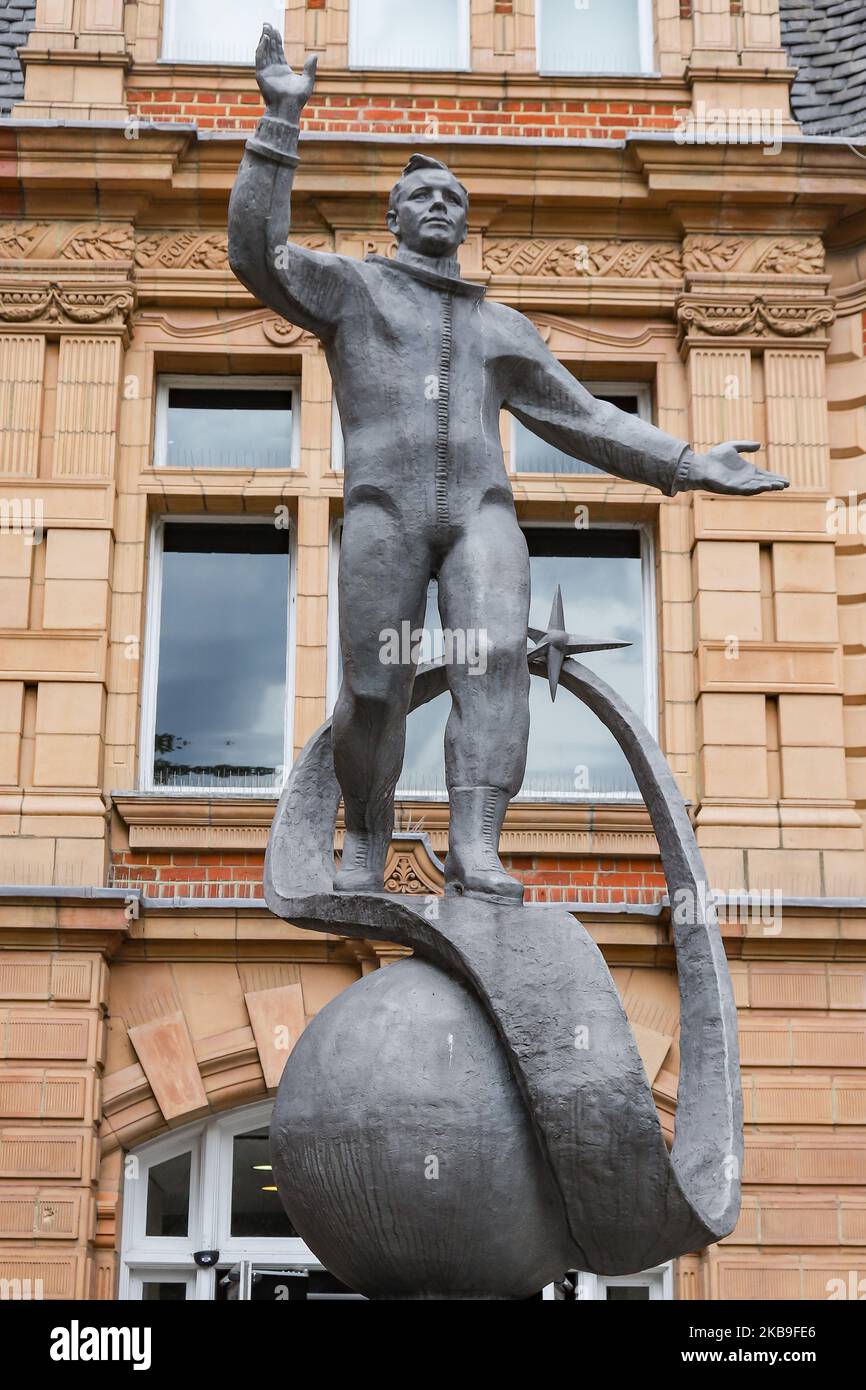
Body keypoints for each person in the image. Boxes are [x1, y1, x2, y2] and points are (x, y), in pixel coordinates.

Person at [228, 26, 787, 903]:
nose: (442, 205)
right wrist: (279, 127)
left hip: (482, 519)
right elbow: (258, 257)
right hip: (385, 511)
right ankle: (368, 830)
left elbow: (588, 418)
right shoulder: (354, 291)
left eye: (455, 195)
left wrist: (686, 462)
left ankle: (476, 846)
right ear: (397, 217)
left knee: (493, 664)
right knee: (376, 688)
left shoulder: (501, 329)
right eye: (424, 195)